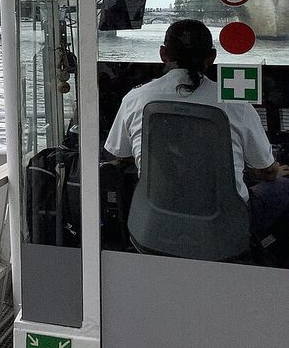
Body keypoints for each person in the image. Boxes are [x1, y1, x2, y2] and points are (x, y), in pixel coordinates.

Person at [105, 19, 289, 261]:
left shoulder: (136, 98)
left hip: (155, 225)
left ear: (163, 54)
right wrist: (276, 170)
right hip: (223, 230)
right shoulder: (235, 104)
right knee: (283, 187)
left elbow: (119, 153)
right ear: (211, 58)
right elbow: (266, 171)